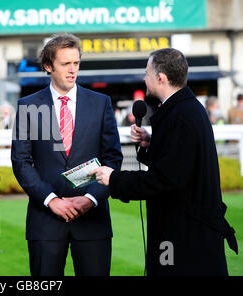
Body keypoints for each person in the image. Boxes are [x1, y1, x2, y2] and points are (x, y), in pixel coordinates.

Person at [92, 48, 238, 276]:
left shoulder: (181, 115)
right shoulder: (185, 109)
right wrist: (152, 144)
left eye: (147, 72)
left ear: (161, 77)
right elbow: (179, 163)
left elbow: (165, 180)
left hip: (184, 235)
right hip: (186, 231)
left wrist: (114, 179)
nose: (144, 78)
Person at [11, 33, 123, 276]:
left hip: (93, 221)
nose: (73, 70)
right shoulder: (27, 106)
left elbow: (113, 159)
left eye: (76, 63)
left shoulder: (101, 103)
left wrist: (90, 199)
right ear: (48, 66)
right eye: (65, 64)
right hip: (45, 222)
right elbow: (21, 162)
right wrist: (51, 200)